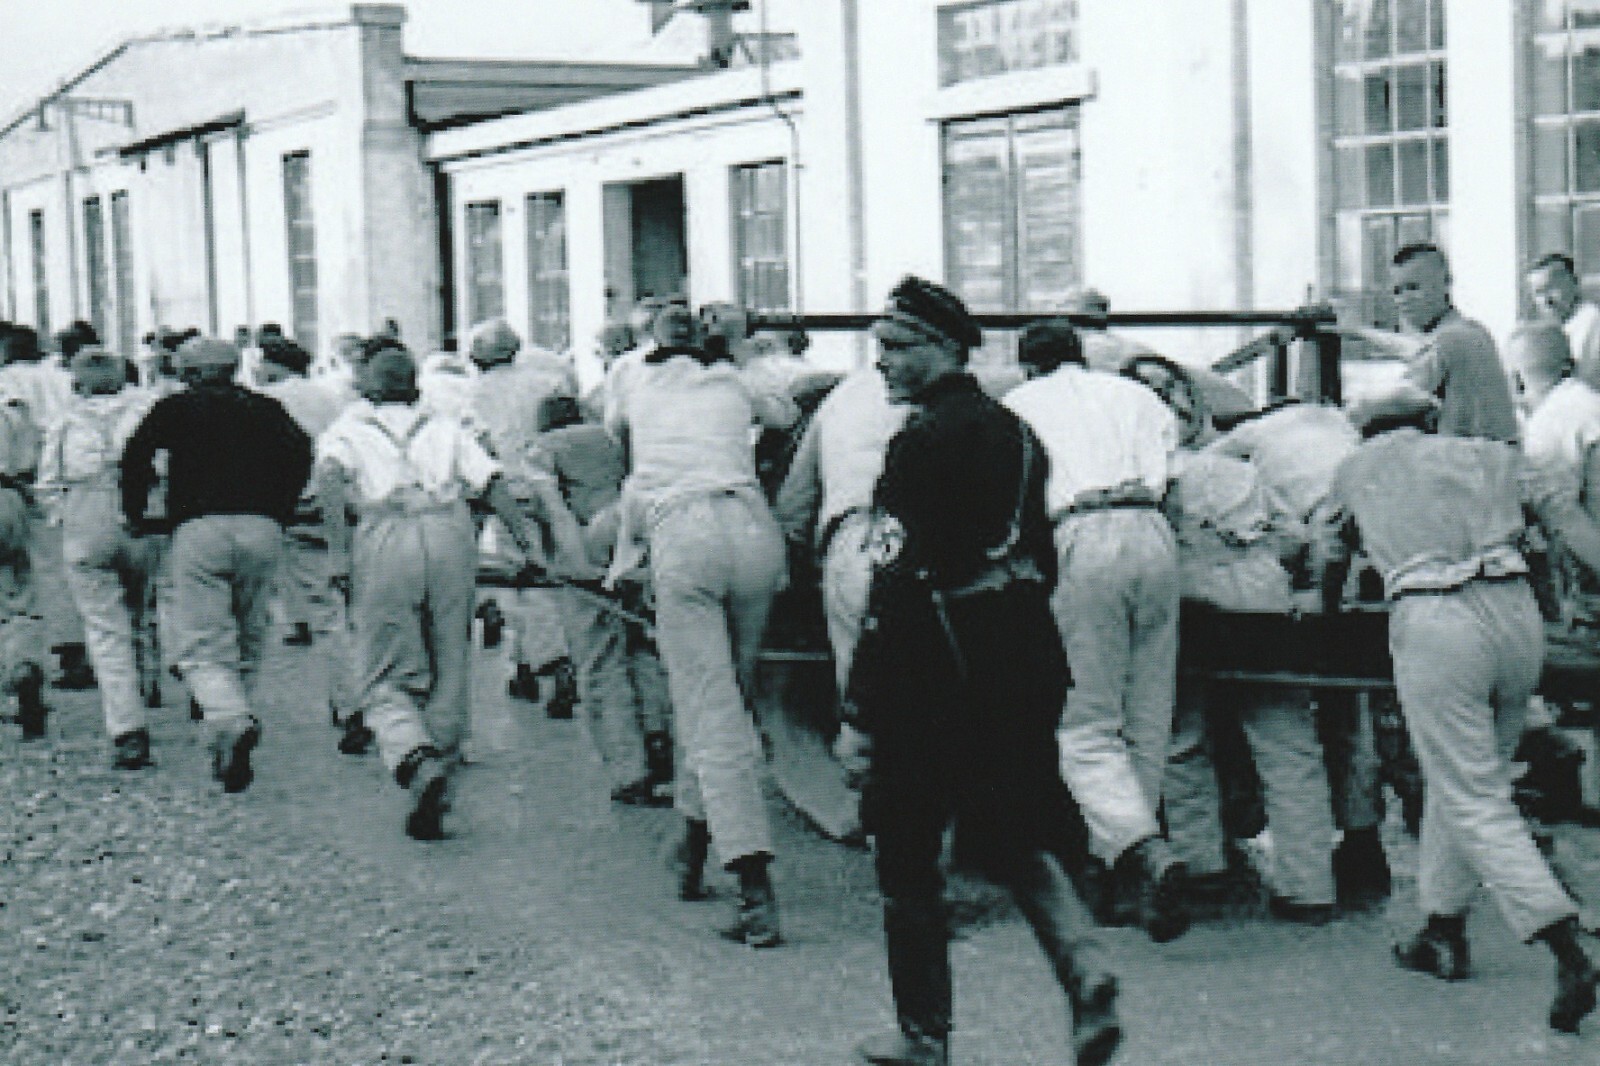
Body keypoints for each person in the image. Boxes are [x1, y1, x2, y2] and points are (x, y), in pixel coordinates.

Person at [841, 279, 1119, 1066]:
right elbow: (1045, 553)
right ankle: (1085, 968)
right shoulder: (1018, 434)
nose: (884, 366)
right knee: (1018, 827)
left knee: (904, 845)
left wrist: (861, 709)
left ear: (943, 349)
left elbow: (891, 578)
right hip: (1022, 653)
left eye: (897, 349)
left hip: (936, 665)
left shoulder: (916, 444)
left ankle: (923, 1034)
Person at [1323, 405, 1600, 1034]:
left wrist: (1323, 603)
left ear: (1367, 430)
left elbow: (1327, 554)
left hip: (1435, 617)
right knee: (1473, 781)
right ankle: (1442, 930)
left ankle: (1566, 949)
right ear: (1431, 421)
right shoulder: (1490, 455)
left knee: (1472, 794)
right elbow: (1569, 521)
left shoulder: (1357, 467)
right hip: (1514, 610)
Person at [315, 338, 572, 839]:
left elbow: (329, 479)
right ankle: (445, 765)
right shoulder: (445, 426)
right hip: (450, 534)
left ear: (368, 387)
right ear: (413, 386)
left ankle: (413, 754)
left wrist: (339, 552)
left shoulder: (348, 428)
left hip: (385, 534)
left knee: (384, 665)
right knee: (450, 653)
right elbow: (492, 483)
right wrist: (528, 545)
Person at [606, 304, 796, 946]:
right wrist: (735, 359)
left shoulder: (632, 377)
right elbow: (787, 416)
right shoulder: (735, 379)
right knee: (726, 700)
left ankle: (753, 885)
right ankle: (691, 840)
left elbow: (618, 438)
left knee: (711, 711)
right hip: (751, 526)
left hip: (683, 531)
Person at [1001, 319, 1189, 943]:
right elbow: (1176, 476)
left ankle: (1142, 849)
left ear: (1029, 365)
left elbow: (1015, 499)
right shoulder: (1135, 396)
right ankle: (1123, 877)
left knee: (1082, 726)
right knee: (1147, 714)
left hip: (1081, 532)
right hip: (1154, 534)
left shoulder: (1020, 404)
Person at [120, 337, 313, 793]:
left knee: (203, 641)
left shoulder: (173, 408)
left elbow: (135, 456)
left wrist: (137, 512)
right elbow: (301, 451)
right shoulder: (266, 408)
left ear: (188, 372)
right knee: (250, 629)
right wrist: (281, 506)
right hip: (262, 527)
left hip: (198, 527)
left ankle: (228, 717)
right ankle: (236, 714)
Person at [535, 393, 673, 806]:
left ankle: (629, 770)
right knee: (643, 646)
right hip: (631, 531)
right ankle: (658, 734)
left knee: (599, 660)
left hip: (589, 540)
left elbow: (552, 510)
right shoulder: (609, 439)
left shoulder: (542, 449)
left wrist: (570, 566)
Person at [38, 348, 158, 767]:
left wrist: (61, 518)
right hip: (140, 511)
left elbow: (48, 481)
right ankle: (149, 677)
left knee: (105, 627)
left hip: (86, 512)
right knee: (143, 604)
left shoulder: (66, 420)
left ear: (78, 382)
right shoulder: (146, 411)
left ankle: (127, 726)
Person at [774, 366, 907, 709]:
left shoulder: (834, 405)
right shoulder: (923, 392)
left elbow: (793, 506)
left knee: (857, 682)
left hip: (853, 536)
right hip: (915, 538)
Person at [464, 317, 579, 712]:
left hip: (509, 494)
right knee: (550, 577)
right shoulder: (545, 383)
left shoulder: (475, 394)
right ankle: (526, 666)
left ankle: (555, 662)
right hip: (552, 489)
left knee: (526, 581)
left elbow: (475, 449)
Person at [1347, 243, 1518, 442]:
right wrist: (1357, 332)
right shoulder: (1473, 330)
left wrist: (1349, 409)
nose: (1403, 300)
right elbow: (1413, 348)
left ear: (1446, 284)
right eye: (1397, 291)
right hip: (1499, 458)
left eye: (1413, 288)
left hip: (1471, 464)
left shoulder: (1448, 341)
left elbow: (1395, 400)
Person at [1527, 252, 1600, 388]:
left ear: (1574, 283)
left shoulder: (1592, 323)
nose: (1546, 300)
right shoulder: (1553, 328)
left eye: (1552, 288)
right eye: (1538, 292)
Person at [1063, 287, 1155, 373]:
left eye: (1102, 307)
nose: (1101, 312)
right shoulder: (1075, 344)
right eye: (1096, 307)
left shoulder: (1122, 343)